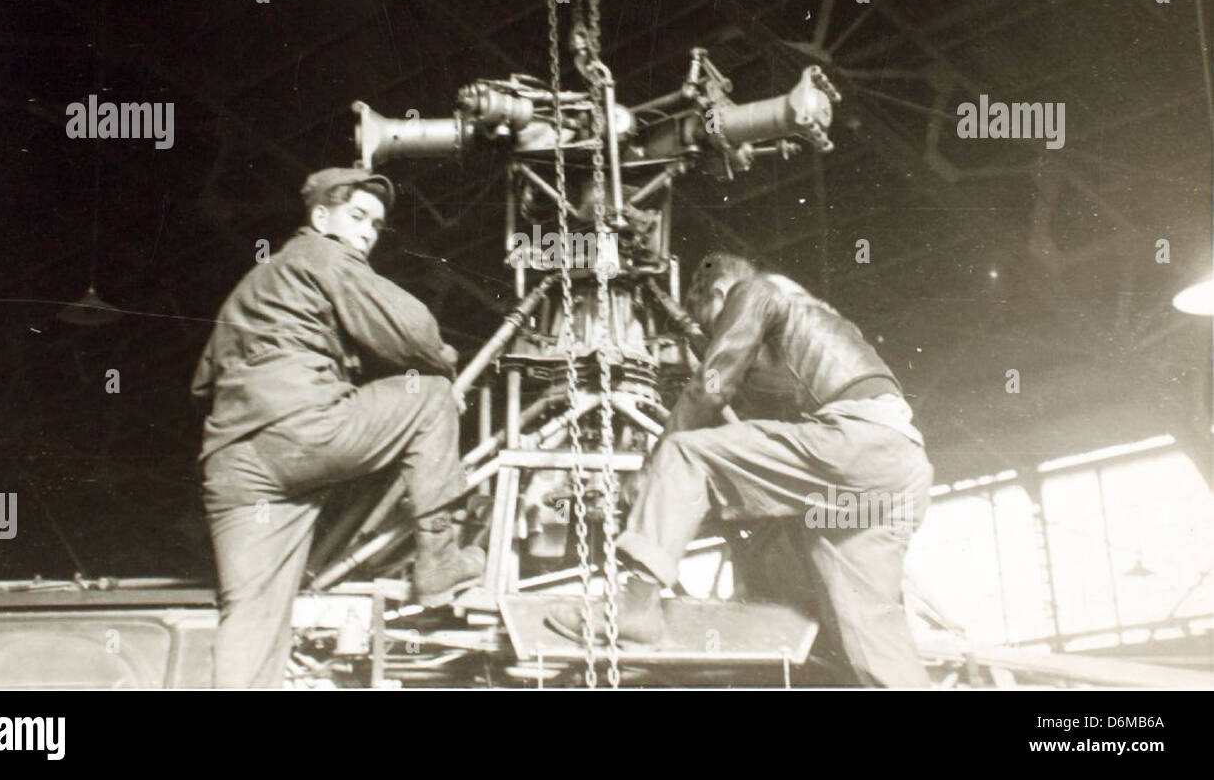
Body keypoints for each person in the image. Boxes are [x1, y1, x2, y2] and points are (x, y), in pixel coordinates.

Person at [548, 251, 934, 687]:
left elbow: (714, 384)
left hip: (852, 443)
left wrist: (652, 468)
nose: (718, 330)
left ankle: (635, 608)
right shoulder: (816, 315)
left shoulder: (754, 291)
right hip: (898, 467)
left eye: (714, 320)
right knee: (870, 632)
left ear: (718, 292)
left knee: (685, 454)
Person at [191, 167, 483, 688]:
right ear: (321, 218)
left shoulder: (254, 283)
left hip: (235, 467)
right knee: (430, 396)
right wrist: (443, 359)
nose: (368, 231)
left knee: (252, 619)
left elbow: (201, 387)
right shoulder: (323, 254)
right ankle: (439, 558)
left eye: (375, 223)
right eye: (358, 216)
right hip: (302, 431)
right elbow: (409, 331)